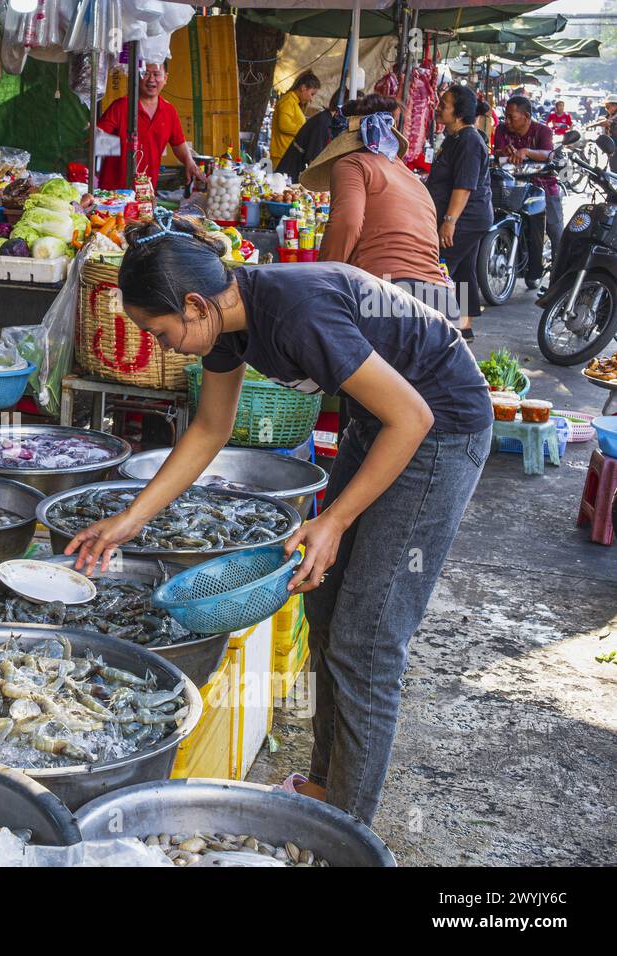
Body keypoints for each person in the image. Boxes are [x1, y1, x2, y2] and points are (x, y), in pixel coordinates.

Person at [64, 213, 492, 825]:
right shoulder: (226, 323)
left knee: (367, 640)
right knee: (324, 606)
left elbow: (414, 419)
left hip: (440, 429)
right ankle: (326, 788)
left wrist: (335, 521)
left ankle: (346, 833)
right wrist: (129, 519)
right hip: (382, 424)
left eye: (159, 333)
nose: (160, 347)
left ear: (193, 305)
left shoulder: (295, 312)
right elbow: (211, 430)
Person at [304, 93, 456, 327]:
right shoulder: (411, 178)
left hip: (386, 295)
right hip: (443, 302)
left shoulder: (351, 164)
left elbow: (347, 223)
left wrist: (321, 281)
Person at [427, 85, 495, 338]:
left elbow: (464, 186)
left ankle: (434, 329)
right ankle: (463, 328)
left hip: (465, 218)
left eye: (444, 104)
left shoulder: (469, 140)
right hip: (464, 217)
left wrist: (449, 221)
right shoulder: (453, 138)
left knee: (437, 267)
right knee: (465, 270)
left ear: (458, 112)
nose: (438, 107)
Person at [97, 61, 201, 191]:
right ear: (137, 77)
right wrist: (96, 134)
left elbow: (178, 143)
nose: (151, 79)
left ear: (165, 78)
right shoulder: (121, 106)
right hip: (113, 192)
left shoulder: (169, 111)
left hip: (146, 191)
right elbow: (98, 138)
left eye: (157, 74)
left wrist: (189, 162)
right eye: (145, 73)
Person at [493, 94, 561, 291]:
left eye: (511, 117)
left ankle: (558, 281)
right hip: (513, 185)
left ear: (526, 116)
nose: (507, 121)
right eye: (506, 116)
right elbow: (497, 151)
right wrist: (503, 152)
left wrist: (527, 152)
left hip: (544, 186)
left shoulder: (543, 131)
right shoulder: (501, 129)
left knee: (556, 232)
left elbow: (549, 155)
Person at [274, 87, 344, 180]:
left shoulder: (326, 120)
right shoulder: (323, 123)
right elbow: (314, 160)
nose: (311, 99)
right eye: (312, 94)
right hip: (290, 174)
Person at [269, 72, 322, 169]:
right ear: (303, 88)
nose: (311, 99)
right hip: (282, 154)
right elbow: (284, 125)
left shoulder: (293, 102)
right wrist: (305, 130)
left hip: (287, 153)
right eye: (312, 94)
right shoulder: (288, 101)